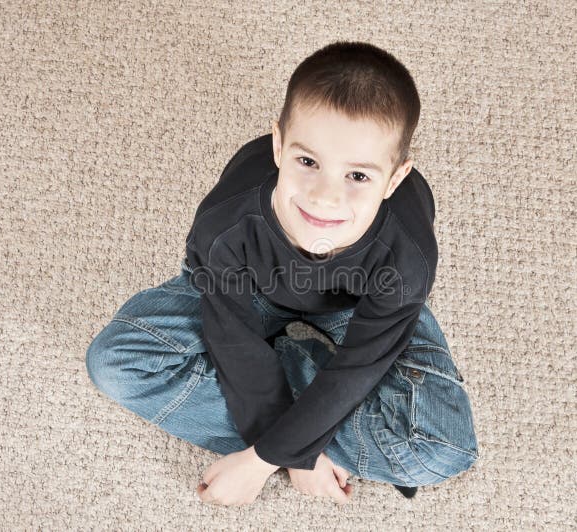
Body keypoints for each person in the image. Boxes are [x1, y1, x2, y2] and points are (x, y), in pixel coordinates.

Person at [86, 41, 479, 507]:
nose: (325, 197)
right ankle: (305, 417)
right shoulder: (226, 223)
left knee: (442, 448)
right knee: (116, 362)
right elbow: (232, 336)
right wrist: (299, 454)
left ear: (394, 179)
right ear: (278, 146)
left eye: (358, 176)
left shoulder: (406, 255)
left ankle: (291, 394)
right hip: (253, 286)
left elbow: (362, 364)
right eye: (308, 162)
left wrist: (263, 459)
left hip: (360, 304)